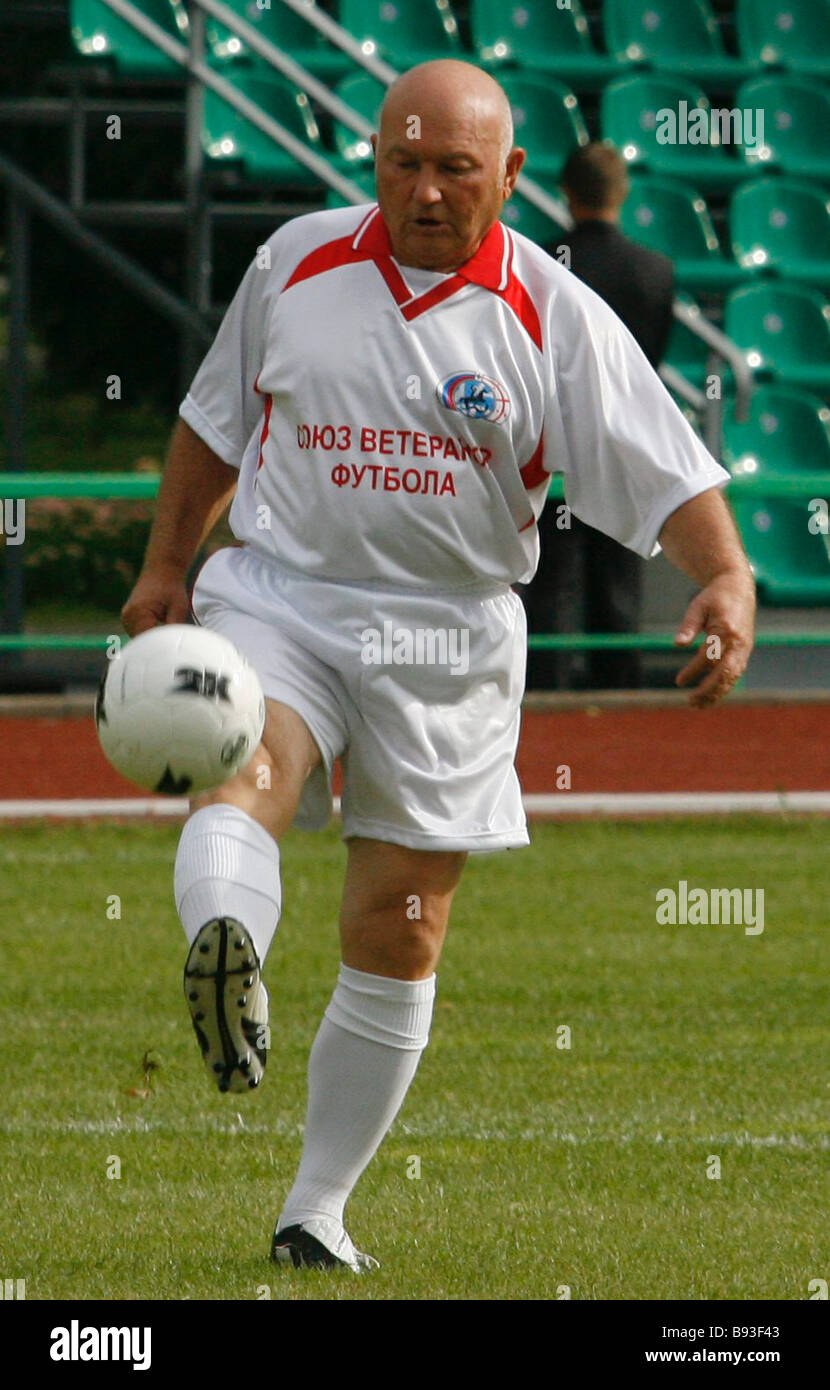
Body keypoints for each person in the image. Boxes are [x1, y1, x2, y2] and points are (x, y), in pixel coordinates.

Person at [121, 60, 756, 1273]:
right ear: (371, 160)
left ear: (508, 176)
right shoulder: (294, 261)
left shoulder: (550, 310)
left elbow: (663, 465)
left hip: (450, 633)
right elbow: (214, 423)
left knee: (400, 927)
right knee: (243, 764)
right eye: (400, 163)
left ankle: (315, 1209)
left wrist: (721, 574)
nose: (421, 191)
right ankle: (227, 947)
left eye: (452, 170)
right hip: (283, 594)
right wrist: (167, 569)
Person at [524, 141, 676, 691]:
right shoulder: (654, 271)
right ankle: (621, 696)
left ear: (566, 191)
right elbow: (649, 365)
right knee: (618, 584)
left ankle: (544, 694)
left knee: (550, 587)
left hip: (553, 447)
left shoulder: (540, 266)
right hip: (621, 448)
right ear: (623, 193)